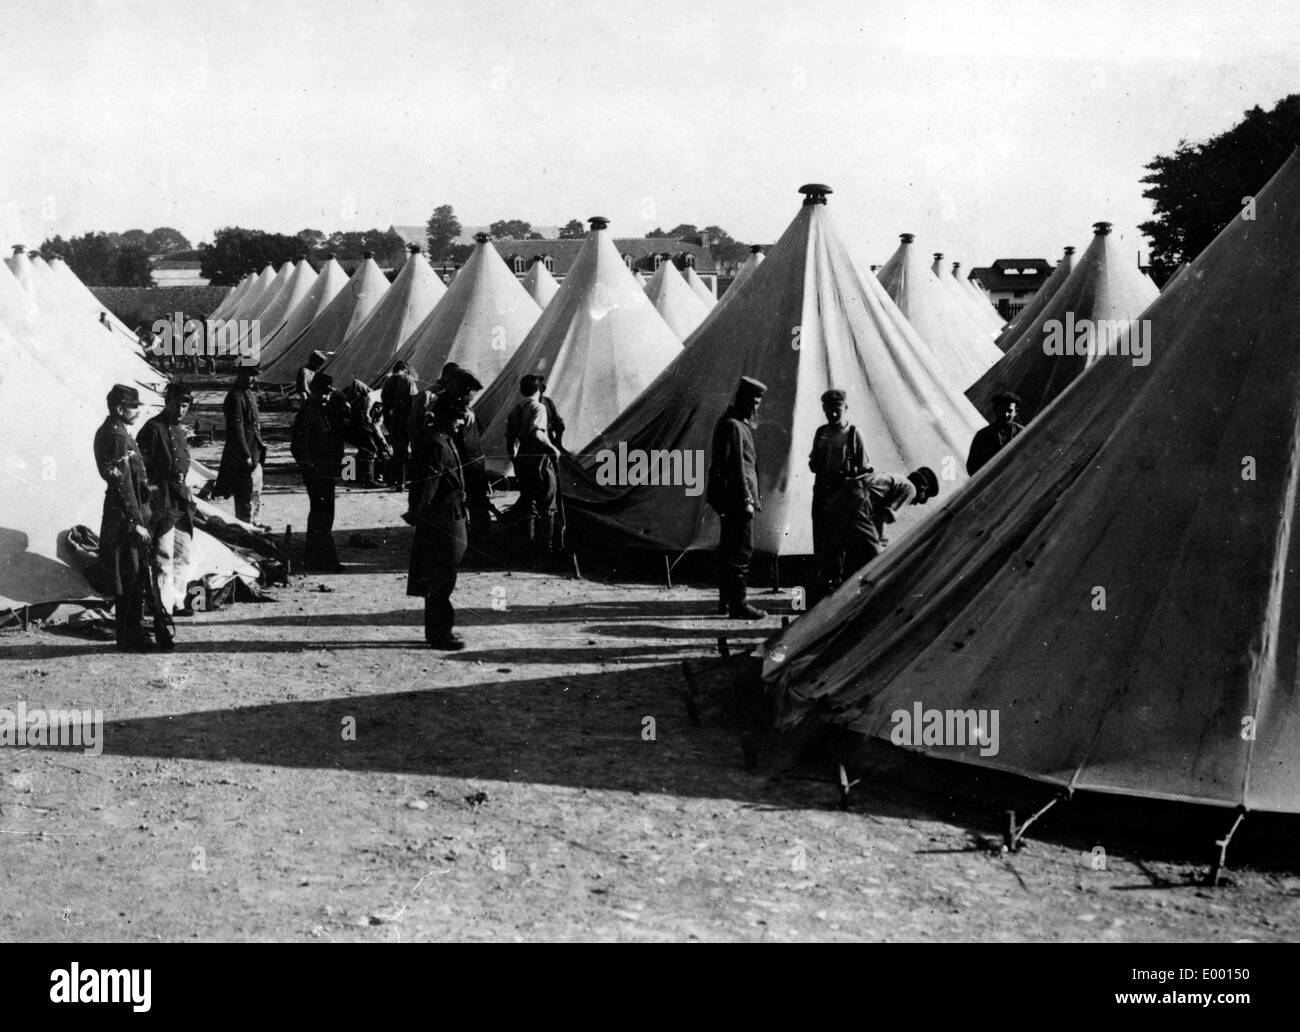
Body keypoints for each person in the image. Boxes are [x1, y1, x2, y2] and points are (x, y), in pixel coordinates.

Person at [93, 385, 172, 651]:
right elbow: (123, 486)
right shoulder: (116, 437)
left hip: (127, 514)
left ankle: (132, 634)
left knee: (134, 577)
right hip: (124, 518)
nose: (138, 411)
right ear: (119, 409)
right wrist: (136, 523)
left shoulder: (117, 432)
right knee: (130, 578)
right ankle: (130, 638)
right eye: (134, 406)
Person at [406, 393, 471, 650]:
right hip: (441, 518)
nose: (460, 422)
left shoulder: (445, 439)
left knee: (445, 574)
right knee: (441, 576)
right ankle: (439, 632)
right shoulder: (436, 443)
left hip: (451, 515)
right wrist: (419, 513)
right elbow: (428, 484)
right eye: (457, 418)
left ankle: (439, 629)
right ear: (447, 418)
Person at [706, 376, 768, 619]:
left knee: (729, 550)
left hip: (731, 499)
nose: (754, 408)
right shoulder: (733, 425)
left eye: (758, 404)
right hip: (737, 499)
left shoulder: (736, 424)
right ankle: (738, 604)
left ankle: (726, 602)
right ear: (740, 399)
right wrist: (746, 500)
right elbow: (736, 468)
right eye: (751, 402)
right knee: (741, 552)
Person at [137, 383, 198, 617]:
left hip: (181, 501)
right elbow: (142, 471)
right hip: (162, 502)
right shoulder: (152, 429)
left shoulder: (180, 430)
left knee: (182, 553)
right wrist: (152, 495)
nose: (181, 409)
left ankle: (178, 601)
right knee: (163, 554)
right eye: (178, 404)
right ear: (167, 402)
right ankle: (162, 604)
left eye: (185, 405)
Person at [808, 388, 872, 598]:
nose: (833, 414)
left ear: (846, 408)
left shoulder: (854, 434)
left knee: (841, 543)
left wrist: (849, 473)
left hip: (843, 495)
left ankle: (839, 588)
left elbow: (866, 469)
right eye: (828, 410)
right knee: (821, 541)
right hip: (822, 494)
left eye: (837, 410)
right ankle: (824, 586)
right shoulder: (821, 432)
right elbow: (813, 463)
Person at [291, 372, 350, 571]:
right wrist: (309, 467)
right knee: (323, 515)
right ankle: (325, 560)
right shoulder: (308, 412)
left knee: (321, 514)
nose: (326, 397)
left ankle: (313, 556)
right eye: (323, 393)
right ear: (313, 391)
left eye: (328, 394)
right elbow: (297, 446)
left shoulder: (322, 409)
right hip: (317, 472)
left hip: (324, 470)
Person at [506, 374, 560, 565]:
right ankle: (545, 553)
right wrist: (552, 449)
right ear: (539, 390)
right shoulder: (539, 407)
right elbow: (537, 434)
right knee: (547, 505)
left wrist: (515, 459)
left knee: (529, 504)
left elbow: (510, 439)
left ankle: (528, 551)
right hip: (539, 459)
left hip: (523, 459)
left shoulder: (516, 409)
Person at [857, 466, 940, 565]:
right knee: (876, 557)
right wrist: (880, 545)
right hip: (858, 505)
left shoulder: (899, 479)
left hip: (849, 495)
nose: (916, 503)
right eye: (922, 499)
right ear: (922, 489)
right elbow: (882, 518)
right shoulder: (911, 489)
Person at [216, 365, 266, 525]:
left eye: (255, 375)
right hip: (242, 456)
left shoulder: (248, 394)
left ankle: (255, 523)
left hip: (254, 452)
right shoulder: (235, 397)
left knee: (255, 492)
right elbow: (237, 430)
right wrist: (245, 454)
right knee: (244, 495)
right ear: (241, 374)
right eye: (250, 375)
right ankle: (245, 526)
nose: (254, 379)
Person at [341, 379, 389, 488]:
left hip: (358, 420)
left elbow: (376, 425)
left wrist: (383, 440)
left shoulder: (386, 400)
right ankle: (369, 480)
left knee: (364, 448)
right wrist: (367, 413)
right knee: (370, 448)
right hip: (360, 418)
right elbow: (370, 397)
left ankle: (353, 476)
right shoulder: (382, 392)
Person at [381, 360, 418, 491]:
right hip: (405, 419)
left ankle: (396, 481)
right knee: (409, 451)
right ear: (405, 370)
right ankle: (405, 481)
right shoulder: (409, 380)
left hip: (393, 421)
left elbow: (384, 400)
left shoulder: (388, 381)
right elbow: (414, 399)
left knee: (398, 452)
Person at [966, 391, 1024, 475]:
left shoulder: (1022, 433)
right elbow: (972, 466)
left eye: (1009, 410)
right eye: (1002, 410)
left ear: (1015, 412)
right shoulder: (983, 435)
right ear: (995, 409)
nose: (1006, 414)